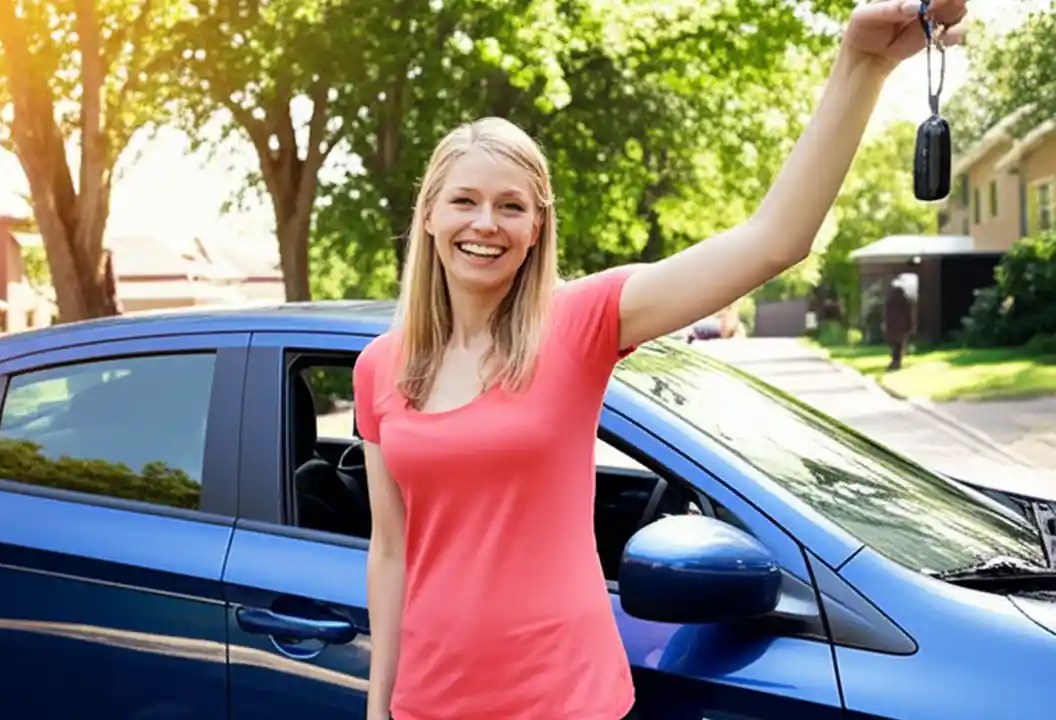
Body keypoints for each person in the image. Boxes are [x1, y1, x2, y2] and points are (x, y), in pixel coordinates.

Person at [352, 2, 969, 718]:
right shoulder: (380, 368)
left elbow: (775, 240)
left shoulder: (579, 322)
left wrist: (861, 64)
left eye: (510, 206)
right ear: (428, 215)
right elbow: (391, 555)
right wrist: (380, 704)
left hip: (564, 698)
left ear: (536, 227)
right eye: (463, 201)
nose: (485, 224)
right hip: (430, 703)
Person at [884, 279, 915, 370]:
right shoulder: (906, 301)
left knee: (895, 345)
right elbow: (909, 314)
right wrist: (910, 326)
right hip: (902, 327)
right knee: (899, 345)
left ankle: (895, 362)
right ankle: (896, 362)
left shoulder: (890, 300)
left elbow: (886, 314)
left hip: (893, 326)